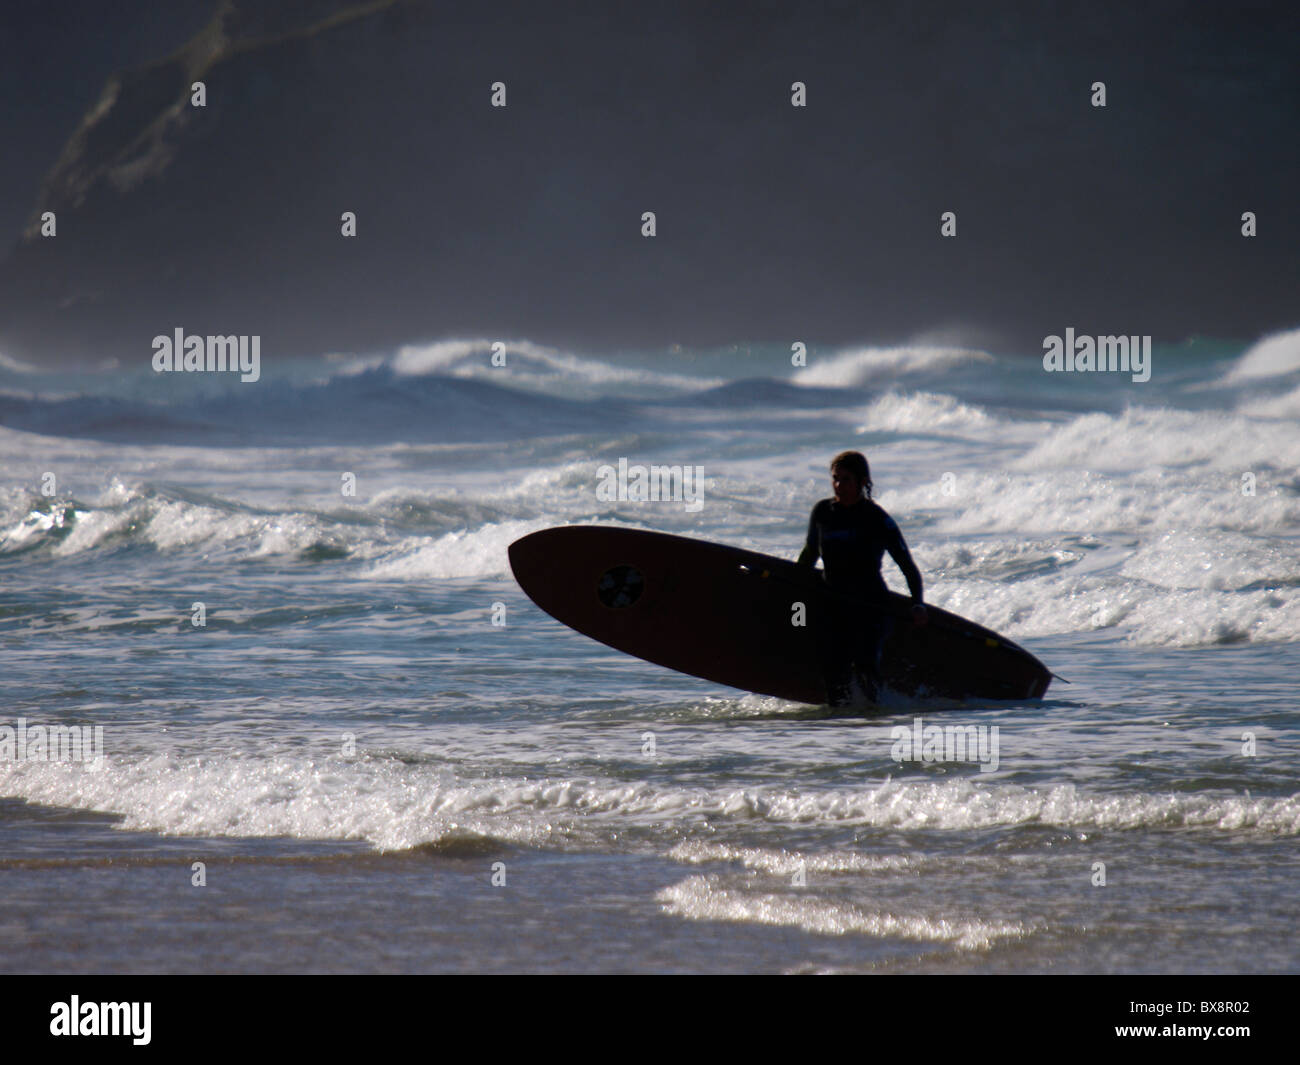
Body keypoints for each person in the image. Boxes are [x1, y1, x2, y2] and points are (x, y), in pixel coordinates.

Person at [797, 450, 927, 706]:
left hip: (871, 606)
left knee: (866, 665)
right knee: (834, 672)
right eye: (835, 478)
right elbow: (810, 554)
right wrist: (794, 591)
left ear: (862, 481)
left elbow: (907, 566)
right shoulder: (822, 512)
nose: (838, 485)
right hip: (833, 604)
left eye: (845, 479)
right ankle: (842, 732)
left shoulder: (876, 518)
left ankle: (874, 724)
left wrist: (918, 603)